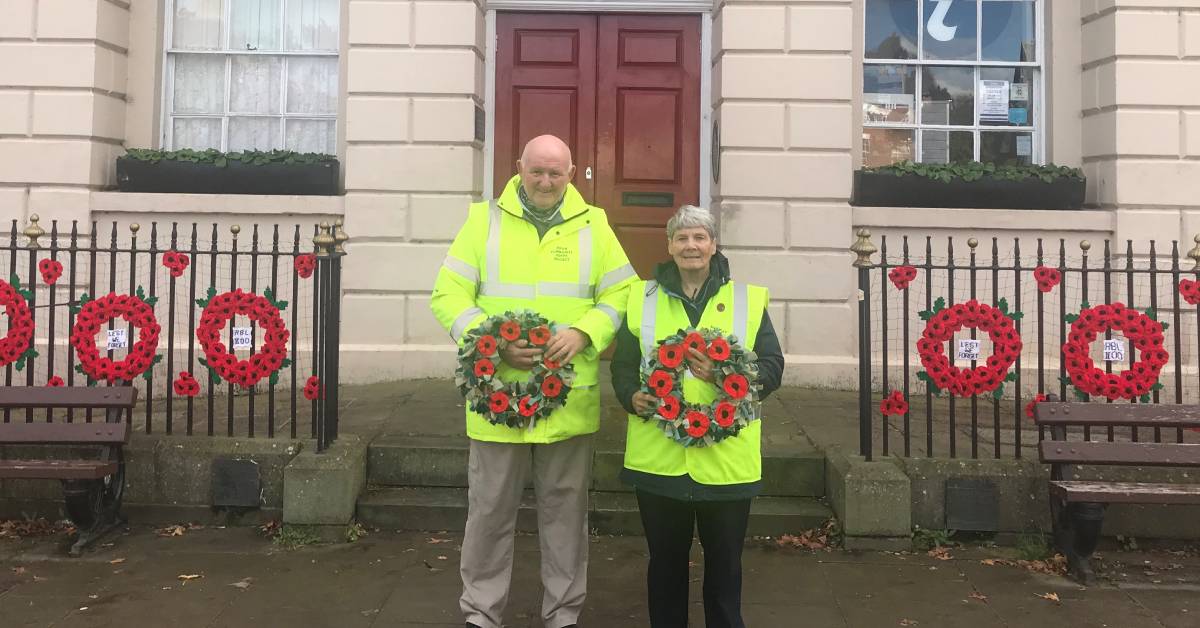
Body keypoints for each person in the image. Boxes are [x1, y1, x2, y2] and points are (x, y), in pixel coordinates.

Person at [430, 134, 637, 628]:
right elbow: (447, 295)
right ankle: (480, 613)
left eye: (556, 173)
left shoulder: (595, 224)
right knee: (488, 513)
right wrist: (492, 343)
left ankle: (563, 614)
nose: (546, 182)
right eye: (537, 171)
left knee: (566, 517)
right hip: (496, 395)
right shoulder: (483, 221)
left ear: (573, 172)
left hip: (568, 401)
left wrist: (586, 333)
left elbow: (624, 293)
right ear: (518, 166)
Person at [610, 204, 784, 628]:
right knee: (665, 566)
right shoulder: (641, 297)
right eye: (682, 238)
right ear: (669, 246)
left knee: (724, 569)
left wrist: (726, 374)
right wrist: (630, 395)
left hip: (727, 463)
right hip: (659, 458)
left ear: (713, 245)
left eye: (700, 237)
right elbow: (622, 367)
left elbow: (772, 367)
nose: (691, 245)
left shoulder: (747, 299)